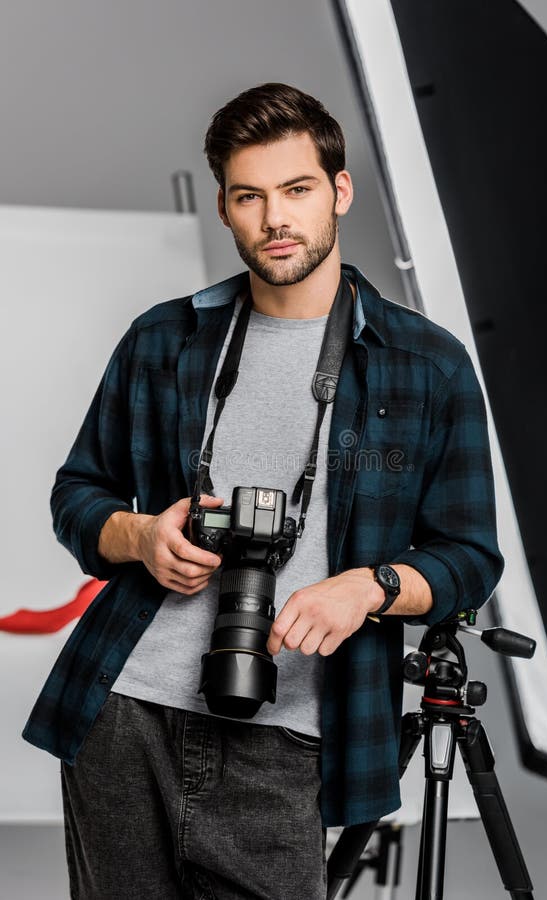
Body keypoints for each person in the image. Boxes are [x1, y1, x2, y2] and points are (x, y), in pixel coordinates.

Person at [23, 83, 504, 899]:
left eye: (296, 189)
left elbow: (470, 557)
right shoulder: (164, 338)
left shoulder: (426, 364)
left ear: (338, 191)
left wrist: (370, 587)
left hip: (292, 737)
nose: (274, 218)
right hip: (124, 713)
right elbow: (78, 496)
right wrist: (139, 537)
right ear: (224, 207)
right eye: (250, 196)